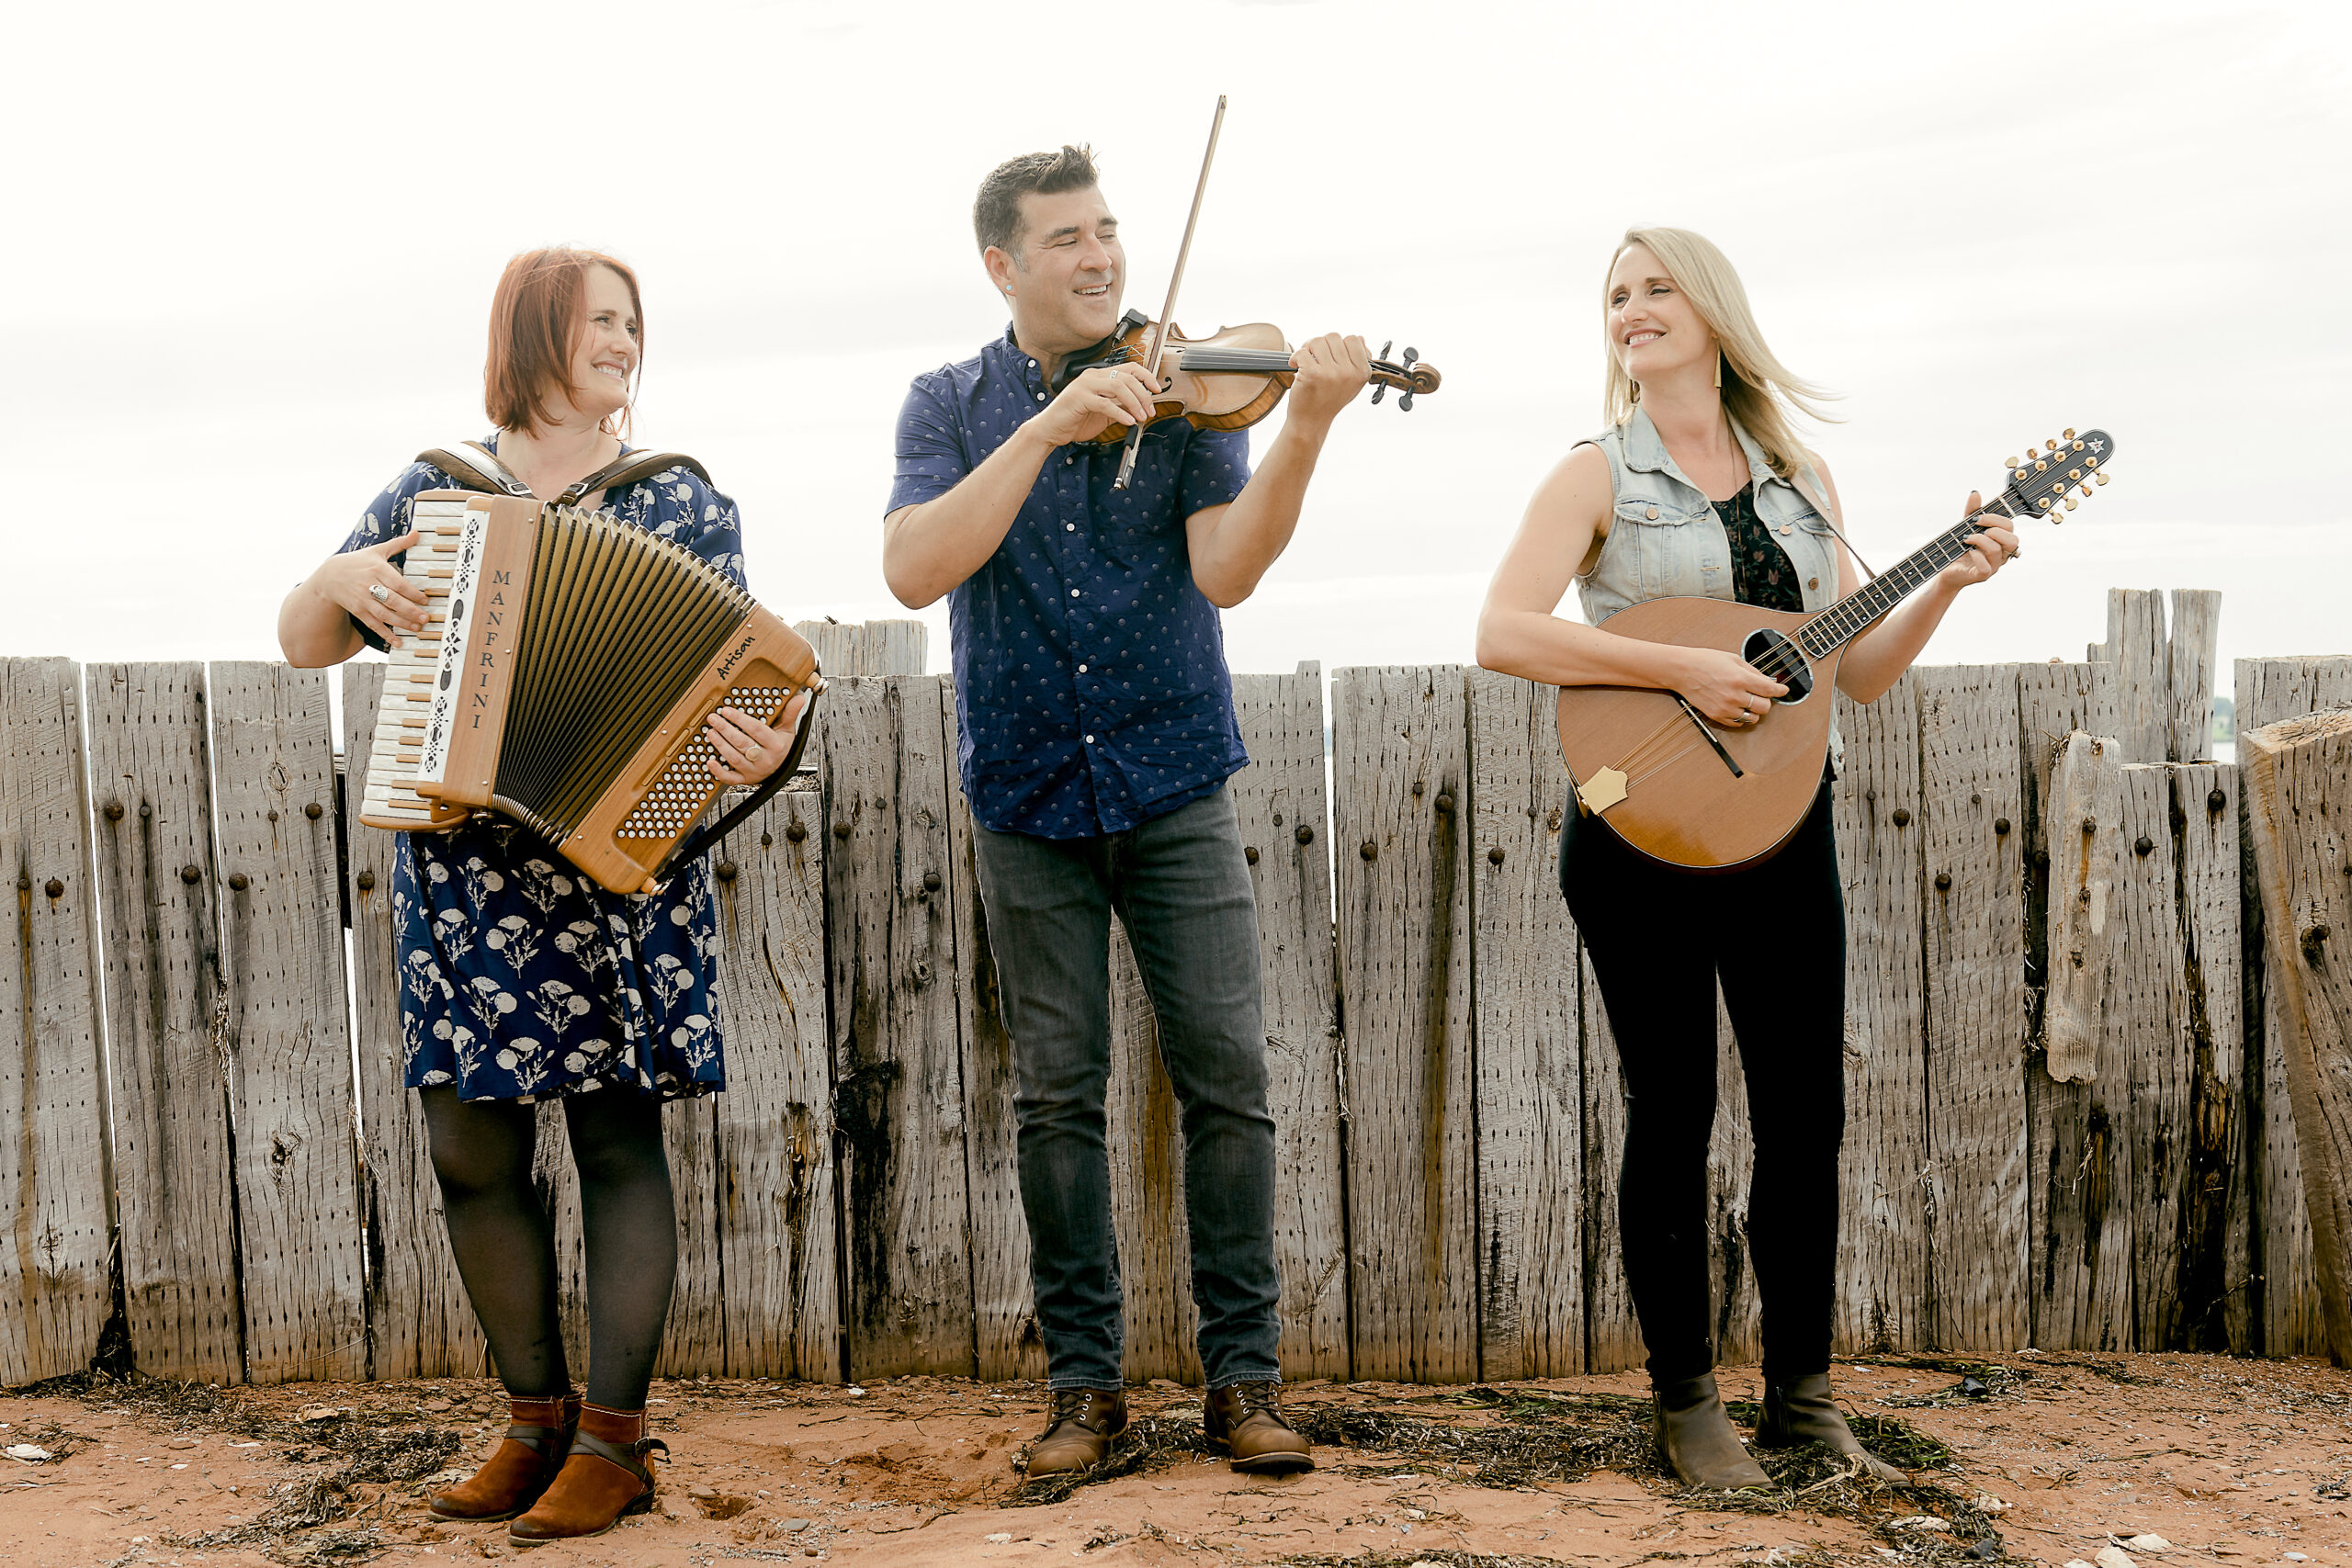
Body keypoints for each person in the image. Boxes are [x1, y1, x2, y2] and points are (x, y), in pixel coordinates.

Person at [1475, 226, 2017, 1489]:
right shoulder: (1595, 474)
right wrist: (1682, 667)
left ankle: (1808, 1402)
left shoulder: (1800, 476)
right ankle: (1685, 1407)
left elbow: (1857, 675)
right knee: (1675, 1113)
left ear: (1715, 309)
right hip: (1639, 831)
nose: (1632, 310)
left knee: (1805, 1115)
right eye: (1616, 296)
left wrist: (1945, 583)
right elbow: (1503, 631)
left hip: (1785, 828)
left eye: (1657, 287)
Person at [277, 247, 805, 1544]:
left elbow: (742, 689)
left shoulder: (680, 502)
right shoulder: (434, 488)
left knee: (618, 1142)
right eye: (599, 322)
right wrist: (337, 584)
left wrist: (761, 744)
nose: (624, 341)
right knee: (469, 1147)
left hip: (611, 872)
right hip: (463, 871)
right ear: (533, 336)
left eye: (634, 322)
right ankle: (532, 1421)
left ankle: (617, 1444)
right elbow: (302, 636)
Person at [883, 144, 1371, 1477]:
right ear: (1004, 264)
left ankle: (1244, 1383)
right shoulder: (949, 403)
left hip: (1173, 783)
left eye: (1108, 233)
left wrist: (1310, 424)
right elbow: (915, 570)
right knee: (1058, 1100)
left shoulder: (1199, 396)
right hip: (1027, 797)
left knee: (1230, 1082)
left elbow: (1227, 572)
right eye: (1065, 241)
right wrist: (1047, 433)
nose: (1100, 258)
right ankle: (1084, 1396)